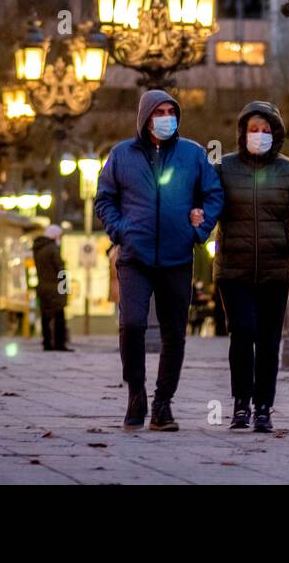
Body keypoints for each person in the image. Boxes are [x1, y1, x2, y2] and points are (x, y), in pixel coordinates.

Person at [95, 89, 223, 433]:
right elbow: (103, 199)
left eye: (171, 111)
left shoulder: (193, 154)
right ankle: (135, 393)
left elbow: (214, 195)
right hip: (134, 257)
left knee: (174, 333)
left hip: (177, 257)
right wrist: (120, 230)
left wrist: (199, 232)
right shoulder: (121, 155)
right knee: (133, 324)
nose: (167, 117)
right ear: (145, 117)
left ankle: (163, 403)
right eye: (159, 111)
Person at [213, 102, 289, 433]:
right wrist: (195, 226)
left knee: (269, 338)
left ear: (275, 134)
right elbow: (207, 203)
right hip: (234, 267)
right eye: (252, 130)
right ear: (242, 133)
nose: (258, 136)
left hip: (276, 267)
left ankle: (263, 406)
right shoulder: (223, 167)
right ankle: (240, 403)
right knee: (243, 332)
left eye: (265, 130)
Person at [33, 224, 71, 351]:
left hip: (42, 286)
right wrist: (64, 288)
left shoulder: (38, 248)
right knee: (59, 316)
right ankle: (60, 344)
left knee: (45, 316)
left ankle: (47, 343)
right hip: (55, 288)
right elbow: (60, 270)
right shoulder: (52, 249)